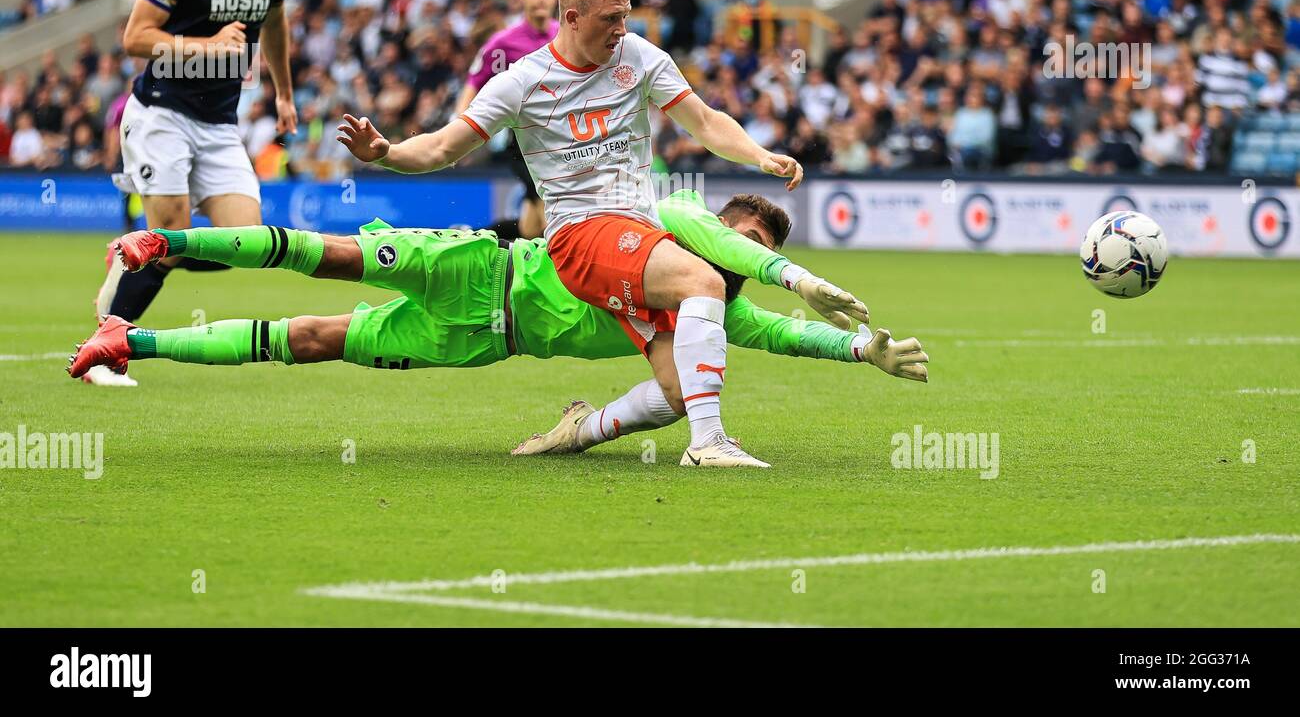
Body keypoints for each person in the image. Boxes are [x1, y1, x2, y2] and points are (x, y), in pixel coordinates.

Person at [335, 0, 867, 468]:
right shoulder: (521, 83)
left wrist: (759, 156)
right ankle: (709, 443)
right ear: (572, 17)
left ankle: (579, 431)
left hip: (638, 234)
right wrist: (386, 154)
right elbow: (441, 148)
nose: (622, 27)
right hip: (579, 235)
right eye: (610, 17)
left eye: (626, 15)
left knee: (679, 388)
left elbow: (702, 121)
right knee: (703, 281)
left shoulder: (637, 56)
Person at [69, 194, 928, 456]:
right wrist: (797, 275)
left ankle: (130, 339)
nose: (742, 255)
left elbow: (782, 335)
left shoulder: (709, 311)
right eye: (746, 239)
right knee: (326, 255)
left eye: (759, 249)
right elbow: (702, 228)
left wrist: (862, 349)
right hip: (481, 265)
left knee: (312, 340)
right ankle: (163, 239)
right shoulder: (675, 228)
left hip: (479, 340)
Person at [88, 0, 296, 387]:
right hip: (162, 111)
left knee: (247, 243)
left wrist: (284, 94)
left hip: (220, 122)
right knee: (174, 230)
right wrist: (205, 46)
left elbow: (273, 24)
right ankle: (107, 349)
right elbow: (134, 39)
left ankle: (139, 252)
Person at [453, 0, 558, 240]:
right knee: (554, 218)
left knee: (530, 230)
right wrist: (459, 133)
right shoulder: (503, 42)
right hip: (523, 145)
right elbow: (472, 85)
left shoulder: (565, 36)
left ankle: (474, 238)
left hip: (561, 141)